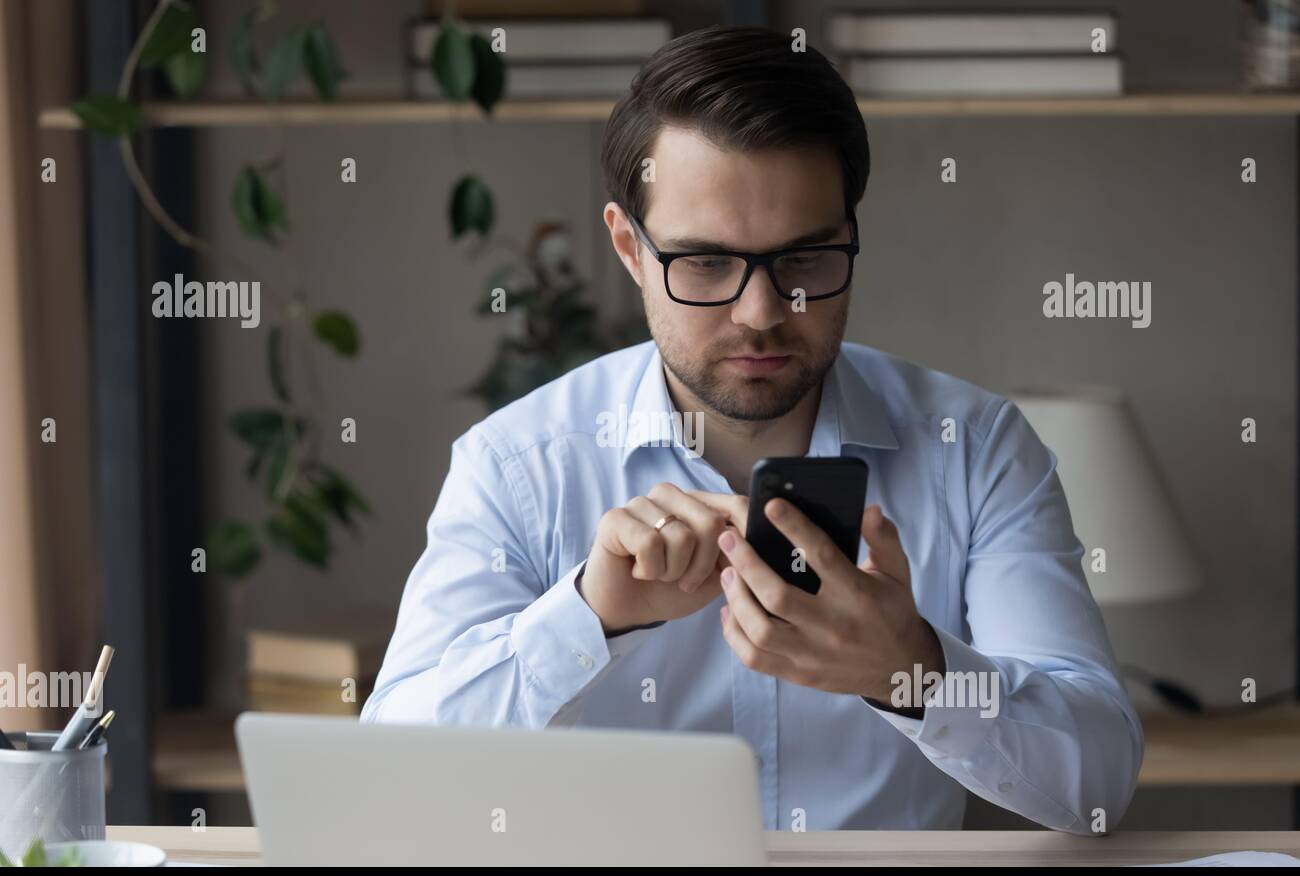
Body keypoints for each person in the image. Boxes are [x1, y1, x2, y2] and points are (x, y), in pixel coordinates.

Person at [361, 25, 1143, 833]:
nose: (762, 313)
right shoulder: (518, 465)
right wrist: (590, 616)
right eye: (705, 264)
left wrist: (915, 673)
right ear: (630, 249)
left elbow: (1098, 785)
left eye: (804, 260)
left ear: (850, 238)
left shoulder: (977, 451)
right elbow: (390, 780)